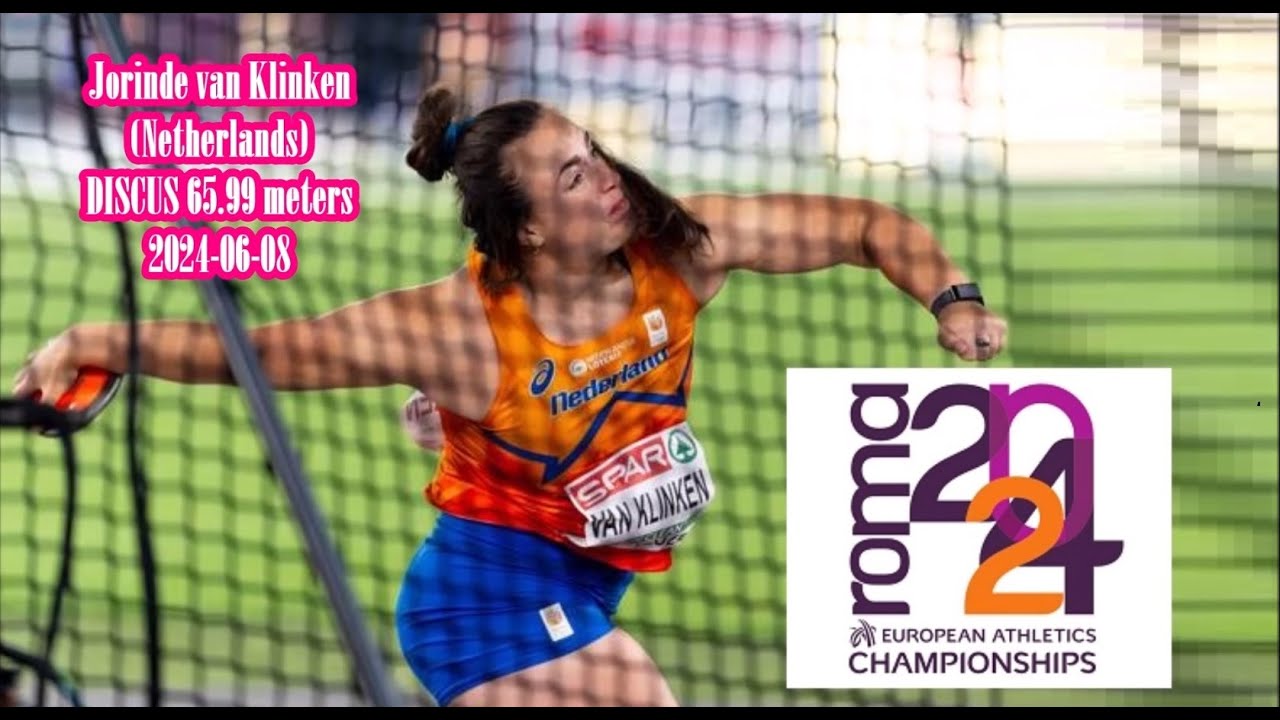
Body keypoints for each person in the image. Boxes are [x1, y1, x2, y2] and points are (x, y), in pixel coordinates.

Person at [12, 83, 1008, 707]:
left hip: (586, 583)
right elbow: (262, 354)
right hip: (484, 606)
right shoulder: (455, 329)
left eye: (596, 155)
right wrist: (98, 339)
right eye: (572, 177)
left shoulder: (680, 250)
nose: (608, 181)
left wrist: (949, 300)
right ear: (527, 229)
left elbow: (861, 225)